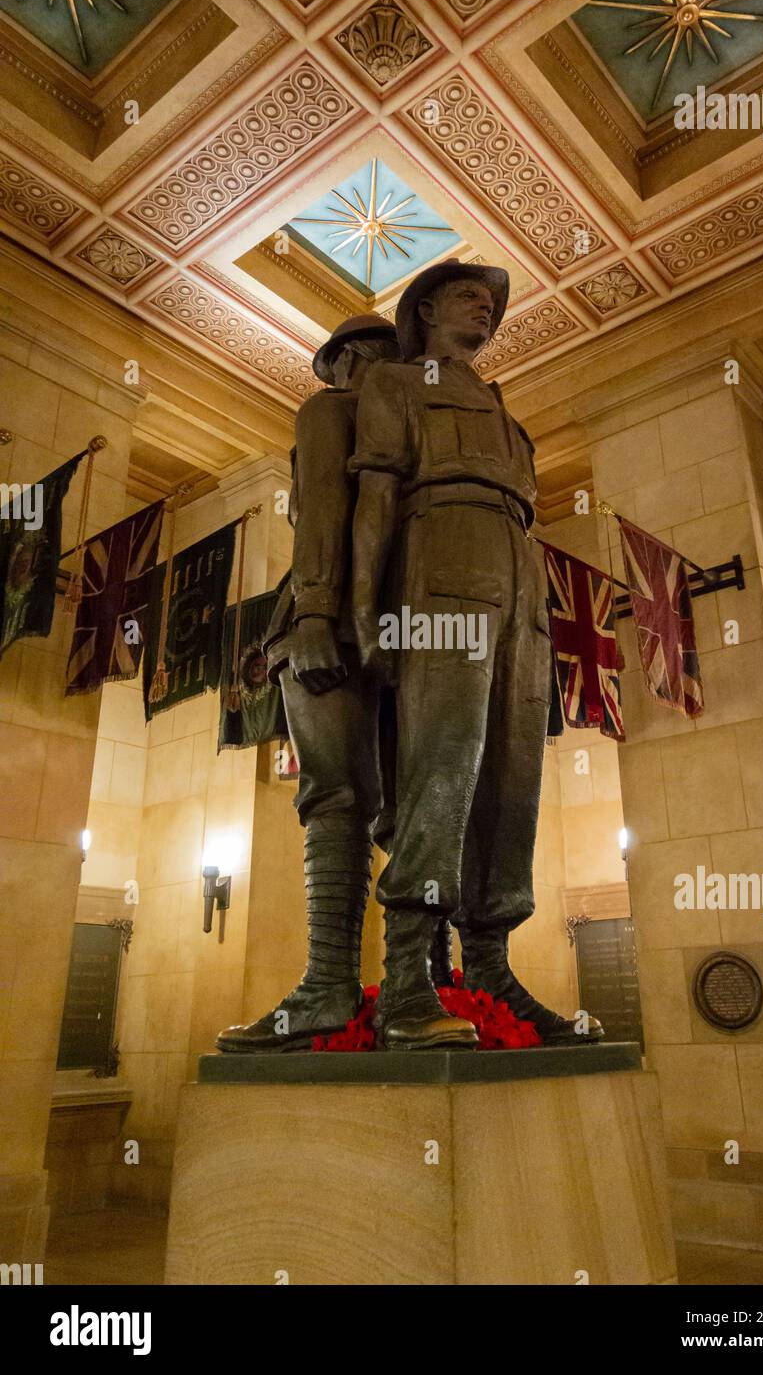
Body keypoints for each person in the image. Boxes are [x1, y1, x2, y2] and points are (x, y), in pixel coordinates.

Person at [351, 260, 603, 1050]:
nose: (485, 309)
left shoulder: (505, 413)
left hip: (520, 573)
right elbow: (376, 495)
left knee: (513, 773)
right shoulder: (394, 385)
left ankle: (490, 967)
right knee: (443, 761)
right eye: (468, 296)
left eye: (492, 303)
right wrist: (361, 609)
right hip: (442, 556)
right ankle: (405, 980)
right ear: (423, 309)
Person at [215, 316, 477, 1051]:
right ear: (353, 361)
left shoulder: (405, 422)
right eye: (385, 358)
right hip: (323, 619)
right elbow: (323, 514)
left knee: (413, 798)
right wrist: (319, 615)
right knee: (339, 796)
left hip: (401, 622)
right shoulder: (329, 411)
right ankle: (330, 980)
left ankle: (420, 980)